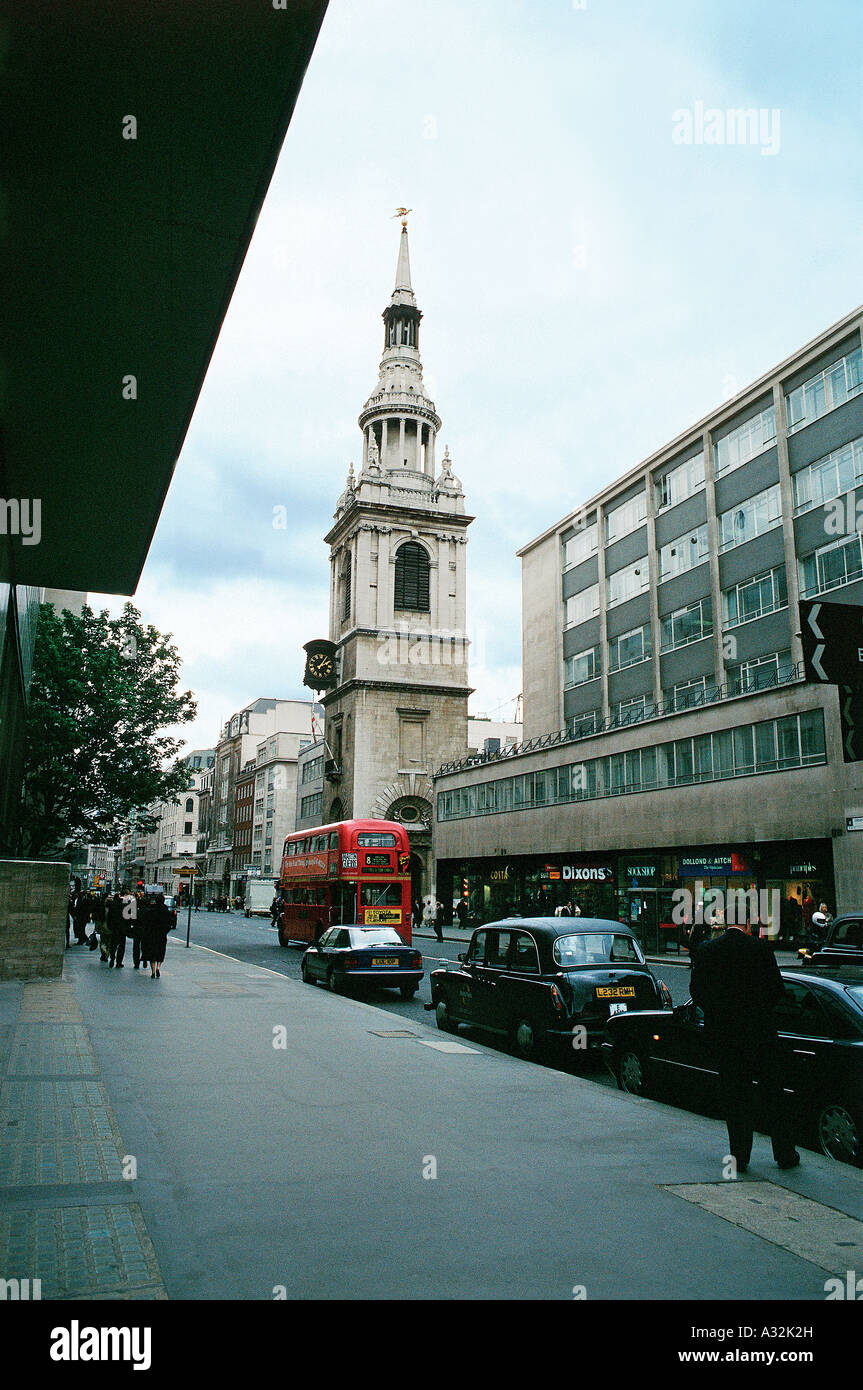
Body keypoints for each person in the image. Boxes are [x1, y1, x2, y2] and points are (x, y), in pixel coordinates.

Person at [690, 913, 798, 1174]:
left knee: (735, 1097)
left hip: (726, 1037)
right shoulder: (761, 949)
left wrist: (718, 1013)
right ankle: (784, 1153)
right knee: (773, 1094)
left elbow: (697, 991)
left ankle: (740, 1156)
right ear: (748, 924)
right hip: (760, 1035)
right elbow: (776, 989)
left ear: (727, 923)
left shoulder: (707, 951)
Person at [142, 892, 174, 979]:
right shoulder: (166, 911)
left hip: (152, 934)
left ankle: (152, 971)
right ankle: (158, 967)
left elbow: (146, 922)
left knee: (152, 953)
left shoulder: (151, 910)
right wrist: (165, 931)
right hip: (161, 934)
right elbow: (170, 923)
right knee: (161, 951)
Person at [107, 892, 126, 968]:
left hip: (114, 927)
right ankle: (119, 962)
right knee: (121, 946)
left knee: (113, 944)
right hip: (123, 928)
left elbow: (109, 915)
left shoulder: (113, 903)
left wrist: (109, 926)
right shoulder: (127, 904)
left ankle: (112, 957)